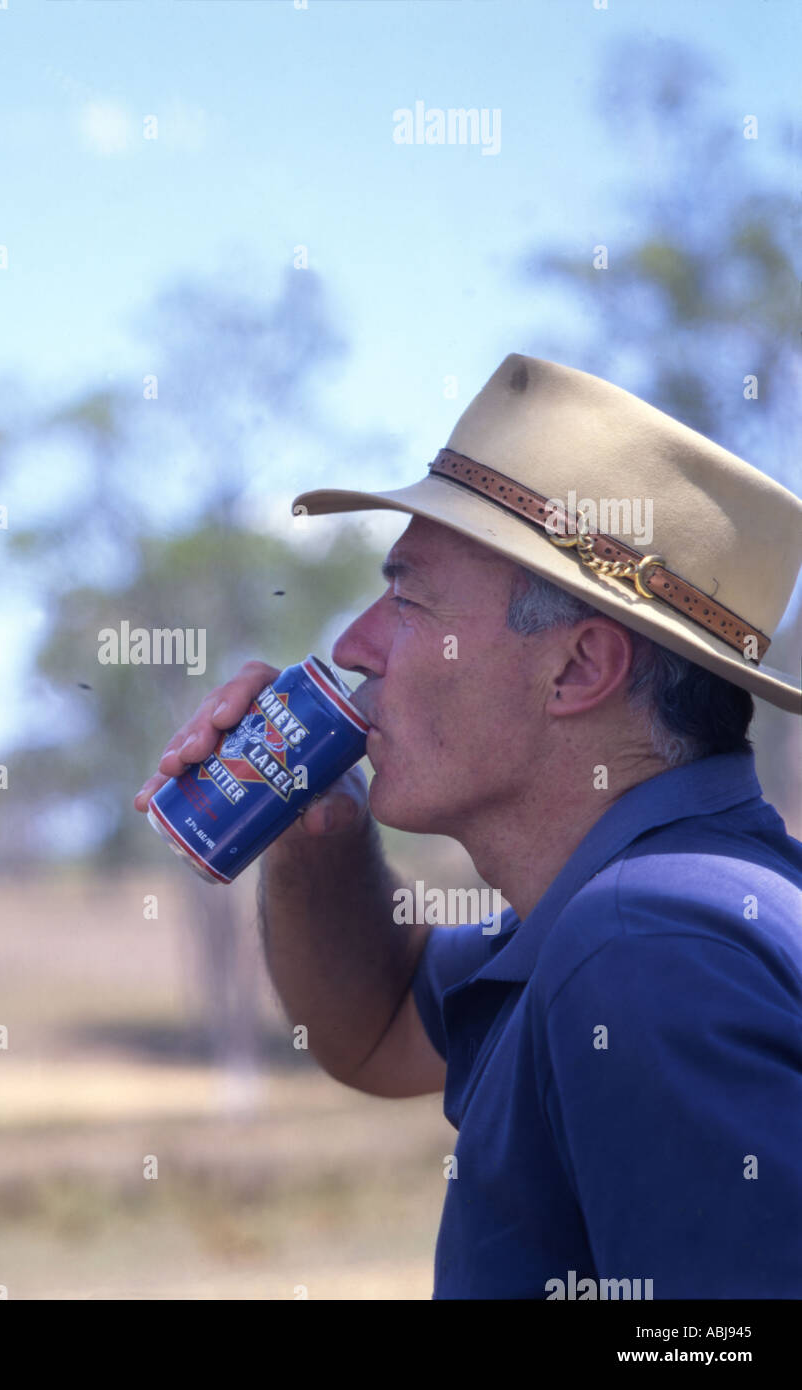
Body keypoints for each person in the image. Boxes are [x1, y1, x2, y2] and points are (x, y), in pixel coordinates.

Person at [134, 354, 802, 1299]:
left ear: (577, 670)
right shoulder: (669, 900)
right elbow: (373, 1026)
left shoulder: (642, 952)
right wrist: (313, 818)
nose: (354, 644)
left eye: (409, 602)